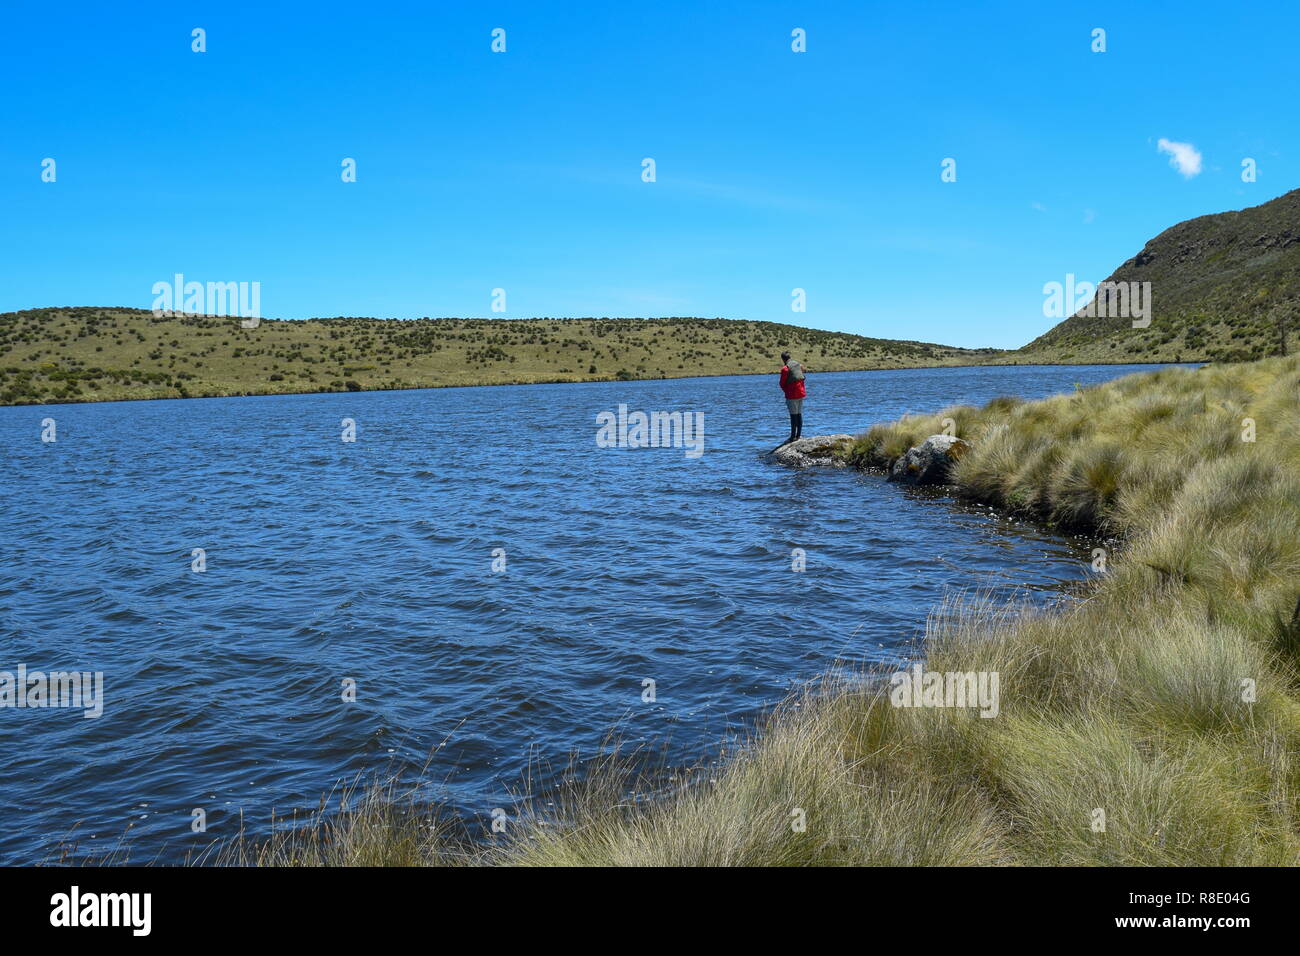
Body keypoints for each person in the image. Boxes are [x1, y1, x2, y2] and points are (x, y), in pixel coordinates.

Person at [778, 351, 806, 445]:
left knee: (793, 416)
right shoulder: (799, 365)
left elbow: (782, 384)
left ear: (783, 359)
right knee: (799, 414)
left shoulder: (785, 369)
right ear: (790, 357)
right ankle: (798, 435)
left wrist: (787, 392)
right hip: (801, 392)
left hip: (792, 394)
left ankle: (792, 437)